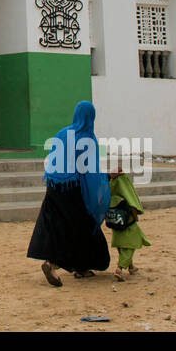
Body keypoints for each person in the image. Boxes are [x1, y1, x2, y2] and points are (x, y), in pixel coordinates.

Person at [27, 100, 110, 287]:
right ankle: (63, 264)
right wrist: (103, 186)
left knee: (56, 226)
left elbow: (53, 162)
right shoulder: (87, 138)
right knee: (81, 229)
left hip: (54, 187)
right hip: (74, 190)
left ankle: (71, 266)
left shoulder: (62, 134)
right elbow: (90, 174)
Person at [108, 159, 150, 281]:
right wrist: (136, 217)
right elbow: (133, 204)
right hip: (128, 223)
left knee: (122, 244)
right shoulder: (125, 189)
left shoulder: (111, 192)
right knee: (131, 244)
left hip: (116, 224)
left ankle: (131, 266)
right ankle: (119, 269)